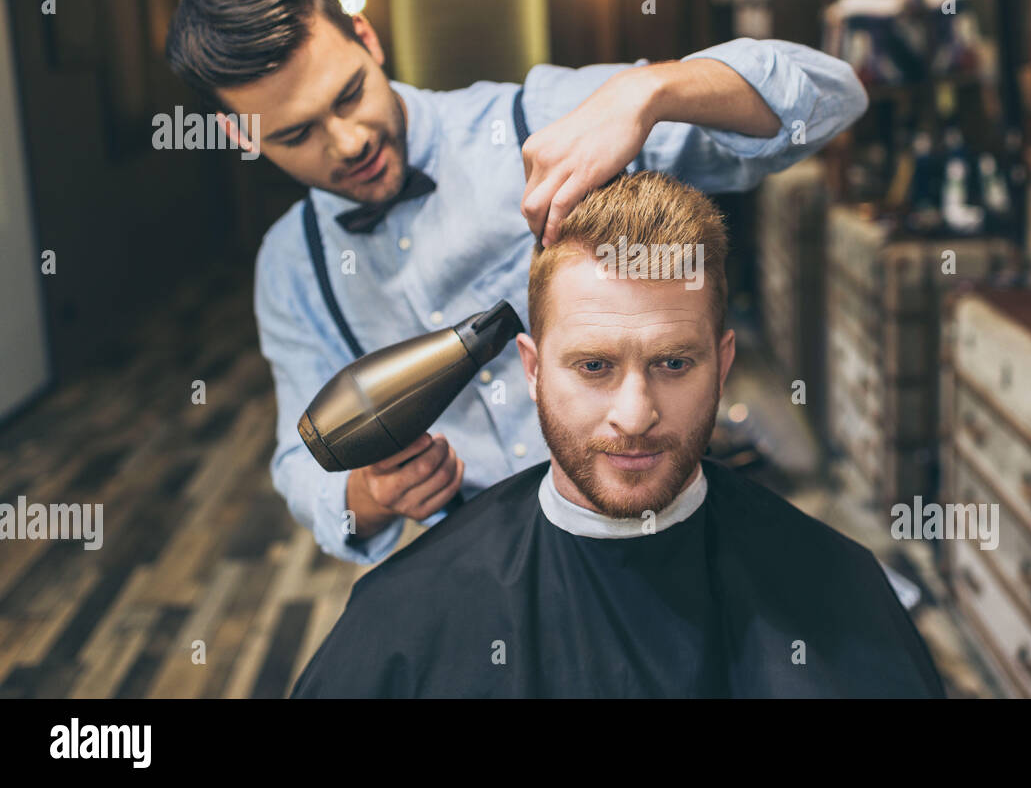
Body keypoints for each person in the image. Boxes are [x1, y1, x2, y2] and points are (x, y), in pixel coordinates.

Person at [165, 0, 868, 564]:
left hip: (666, 533)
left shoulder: (540, 118)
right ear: (240, 132)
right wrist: (367, 494)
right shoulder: (293, 265)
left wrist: (651, 91)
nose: (347, 142)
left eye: (349, 94)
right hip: (489, 575)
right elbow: (299, 459)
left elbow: (833, 96)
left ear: (367, 38)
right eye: (296, 134)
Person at [292, 172, 945, 697]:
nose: (634, 415)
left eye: (673, 362)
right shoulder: (404, 618)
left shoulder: (838, 592)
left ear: (721, 364)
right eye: (595, 366)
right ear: (533, 369)